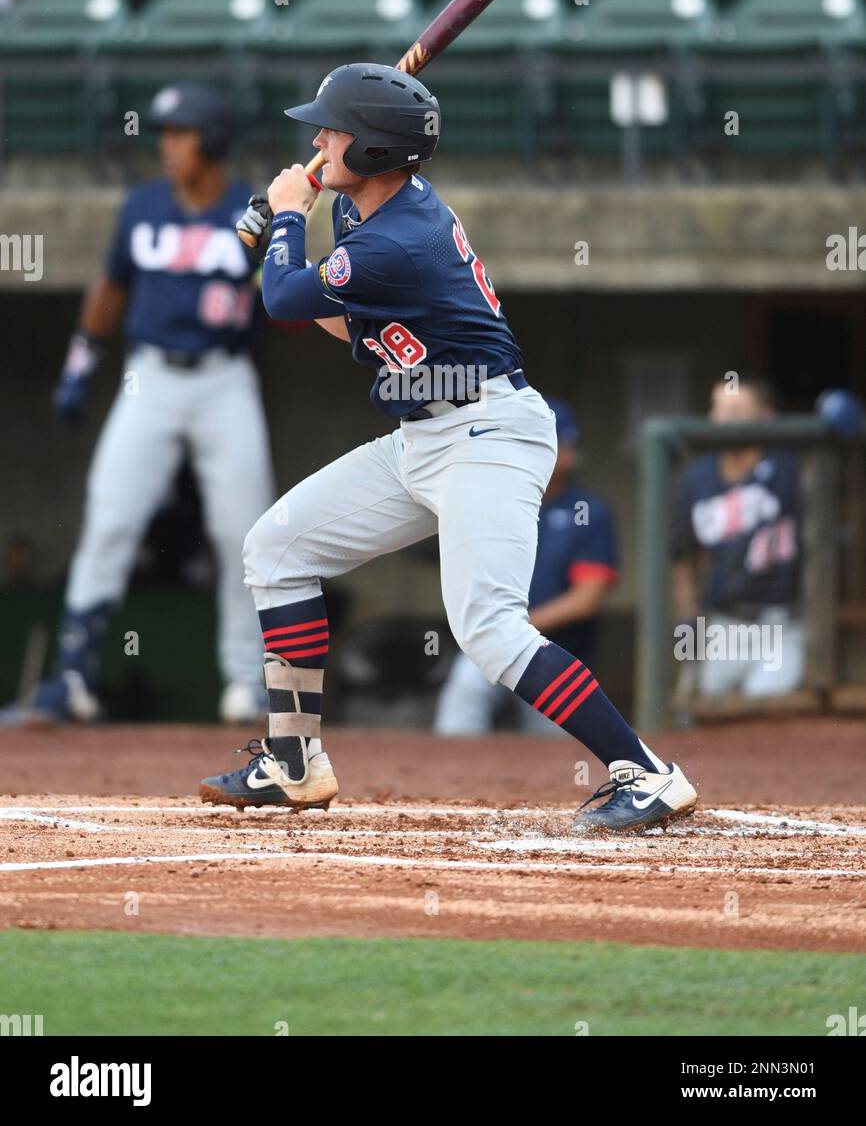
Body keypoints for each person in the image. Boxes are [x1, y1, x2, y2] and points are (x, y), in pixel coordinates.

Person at [198, 62, 697, 832]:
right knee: (278, 549)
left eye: (332, 132)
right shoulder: (375, 215)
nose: (319, 141)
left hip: (488, 432)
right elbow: (340, 317)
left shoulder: (398, 239)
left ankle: (647, 772)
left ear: (372, 152)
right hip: (424, 432)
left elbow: (286, 301)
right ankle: (293, 763)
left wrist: (289, 214)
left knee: (489, 628)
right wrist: (309, 208)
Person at [0, 84, 275, 726]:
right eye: (165, 135)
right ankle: (73, 676)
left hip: (225, 379)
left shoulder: (248, 209)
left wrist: (272, 244)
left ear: (211, 141)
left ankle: (245, 681)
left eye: (180, 135)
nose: (167, 147)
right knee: (111, 519)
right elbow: (111, 283)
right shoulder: (144, 206)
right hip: (147, 376)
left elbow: (281, 298)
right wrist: (80, 360)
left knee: (243, 531)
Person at [434, 398, 619, 735]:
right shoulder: (493, 502)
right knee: (464, 695)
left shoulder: (587, 511)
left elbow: (586, 599)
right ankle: (444, 784)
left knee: (556, 750)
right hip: (490, 642)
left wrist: (512, 629)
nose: (565, 452)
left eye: (565, 444)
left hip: (557, 650)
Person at [671, 375, 802, 699]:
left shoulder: (792, 469)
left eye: (737, 409)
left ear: (765, 418)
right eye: (719, 408)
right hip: (723, 625)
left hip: (781, 625)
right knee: (701, 720)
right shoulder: (695, 480)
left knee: (763, 711)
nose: (725, 418)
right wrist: (687, 617)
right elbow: (682, 558)